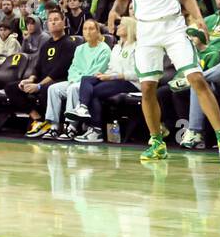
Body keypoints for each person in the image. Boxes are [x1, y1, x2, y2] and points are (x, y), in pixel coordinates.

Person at [108, 0, 220, 163]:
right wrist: (114, 12)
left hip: (173, 27)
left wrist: (196, 17)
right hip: (146, 30)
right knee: (146, 87)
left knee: (196, 78)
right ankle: (156, 142)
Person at [177, 0, 220, 148]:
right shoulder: (208, 20)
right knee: (198, 82)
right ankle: (194, 132)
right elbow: (188, 34)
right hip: (207, 67)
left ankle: (190, 80)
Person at [38, 19, 111, 139]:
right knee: (53, 89)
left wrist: (78, 81)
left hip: (92, 83)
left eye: (91, 29)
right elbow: (73, 68)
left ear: (98, 32)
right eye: (85, 29)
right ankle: (54, 127)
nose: (88, 32)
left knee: (73, 88)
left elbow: (97, 72)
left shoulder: (104, 49)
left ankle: (71, 127)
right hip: (76, 80)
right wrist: (74, 79)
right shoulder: (80, 48)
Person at [71, 17, 139, 143]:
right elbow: (111, 68)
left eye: (122, 25)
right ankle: (83, 108)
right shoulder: (117, 47)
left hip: (131, 83)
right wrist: (103, 75)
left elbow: (137, 74)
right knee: (87, 79)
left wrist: (111, 77)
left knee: (95, 91)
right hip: (115, 79)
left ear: (130, 28)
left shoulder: (137, 47)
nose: (118, 27)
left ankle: (96, 130)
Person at [13, 8, 76, 137]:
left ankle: (51, 124)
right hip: (41, 81)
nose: (53, 23)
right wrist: (30, 80)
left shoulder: (69, 43)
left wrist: (39, 85)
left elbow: (59, 70)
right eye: (50, 20)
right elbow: (37, 67)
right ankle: (37, 119)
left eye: (56, 20)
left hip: (59, 81)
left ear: (64, 22)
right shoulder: (46, 44)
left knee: (47, 89)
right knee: (12, 87)